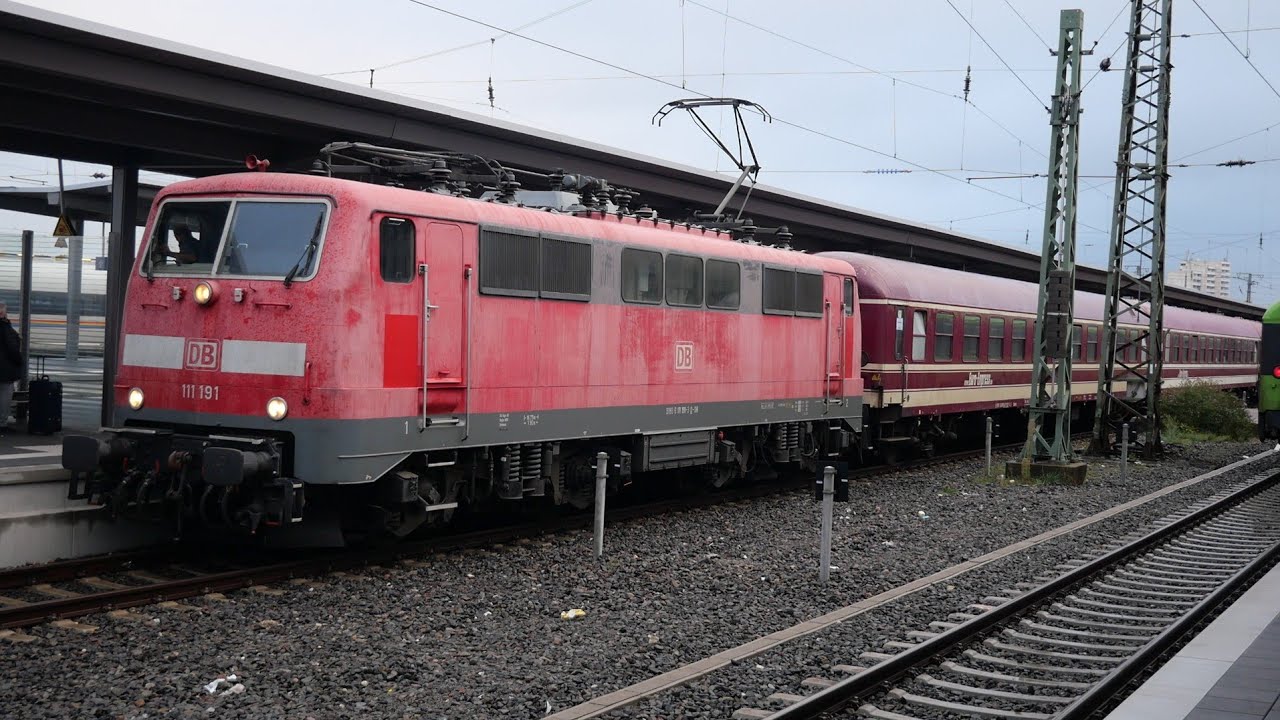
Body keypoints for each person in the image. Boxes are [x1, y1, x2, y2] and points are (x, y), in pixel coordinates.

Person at [0, 303, 23, 433]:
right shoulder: (4, 327)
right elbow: (12, 349)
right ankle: (2, 424)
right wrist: (19, 360)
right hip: (5, 369)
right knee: (5, 396)